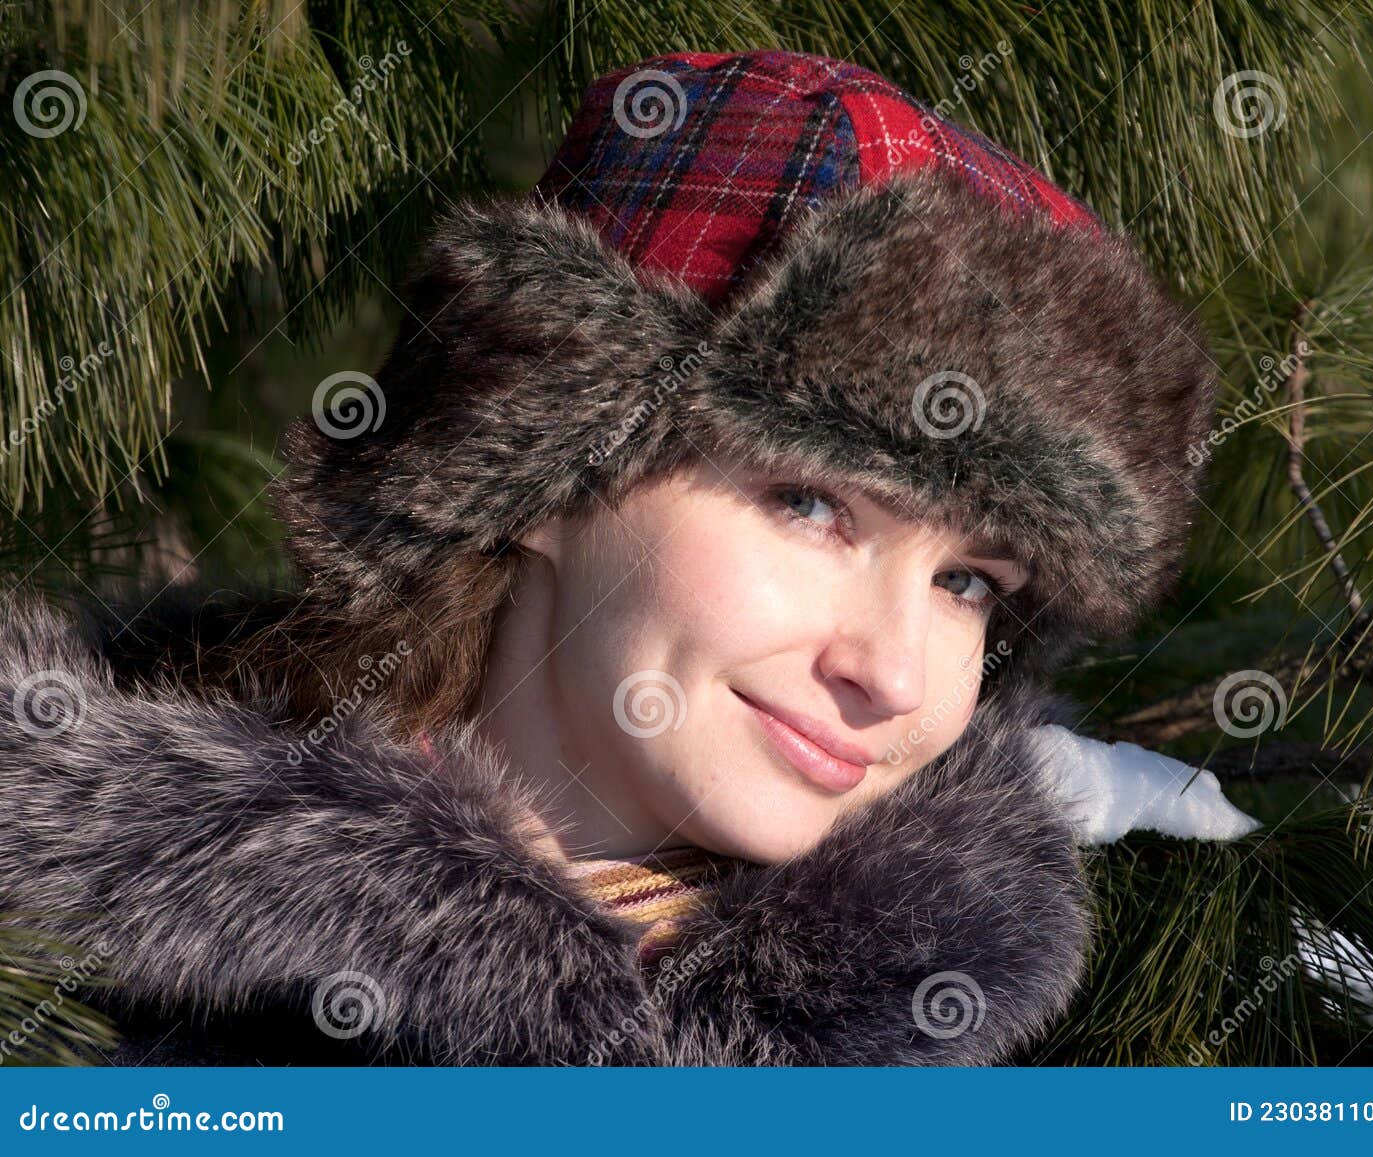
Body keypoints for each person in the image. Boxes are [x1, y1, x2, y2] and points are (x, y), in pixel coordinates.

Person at [0, 49, 1215, 1066]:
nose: (894, 672)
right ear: (539, 467)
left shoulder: (1088, 1035)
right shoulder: (70, 965)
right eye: (812, 502)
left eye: (969, 583)